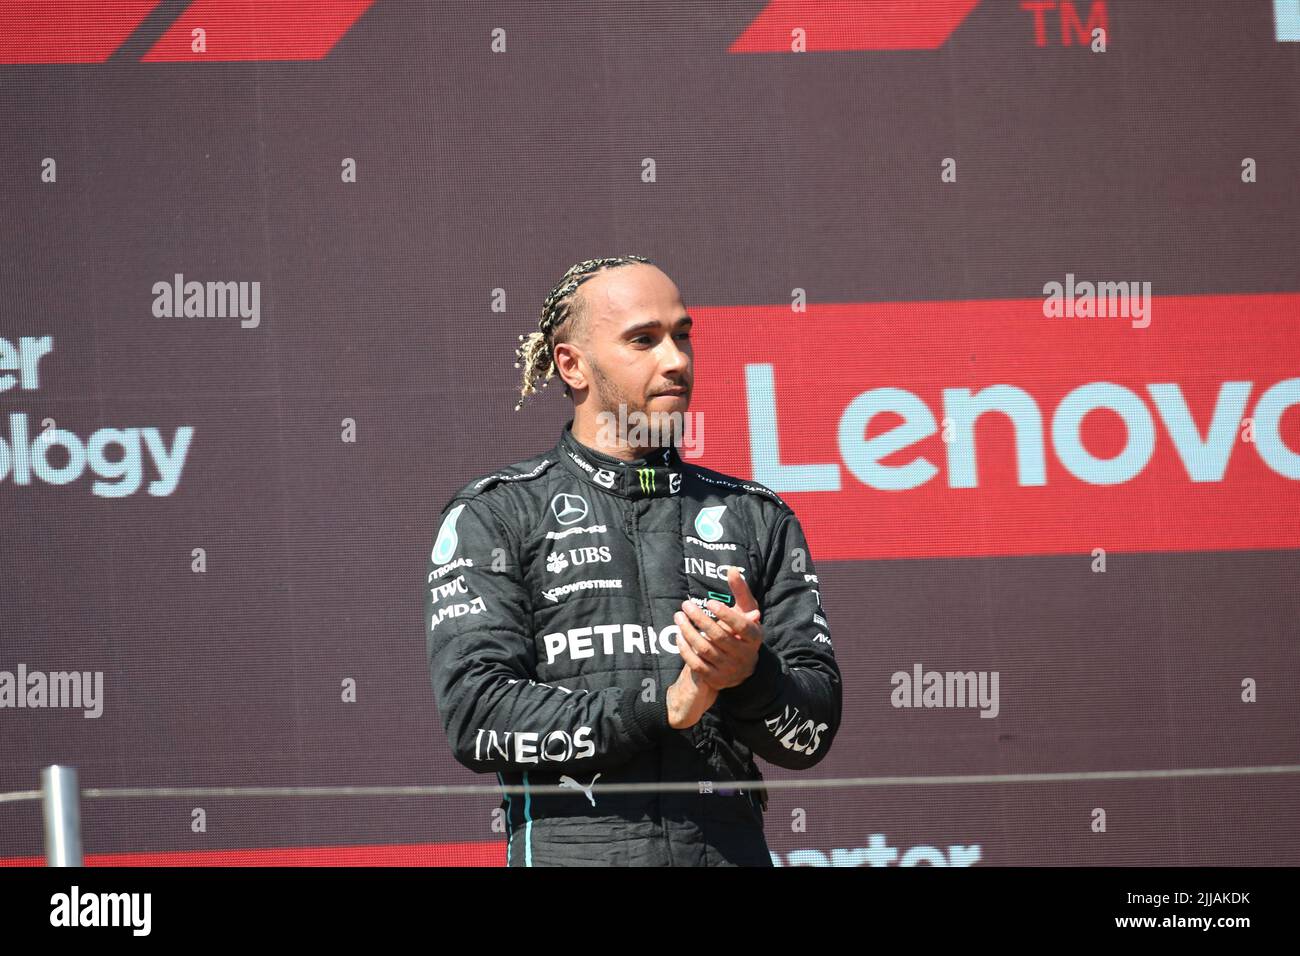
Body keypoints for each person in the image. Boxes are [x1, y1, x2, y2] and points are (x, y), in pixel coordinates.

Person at [425, 254, 842, 866]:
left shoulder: (758, 515)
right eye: (643, 340)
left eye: (682, 336)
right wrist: (660, 706)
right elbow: (476, 715)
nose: (675, 360)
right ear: (572, 364)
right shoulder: (497, 514)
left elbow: (812, 735)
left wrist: (748, 677)